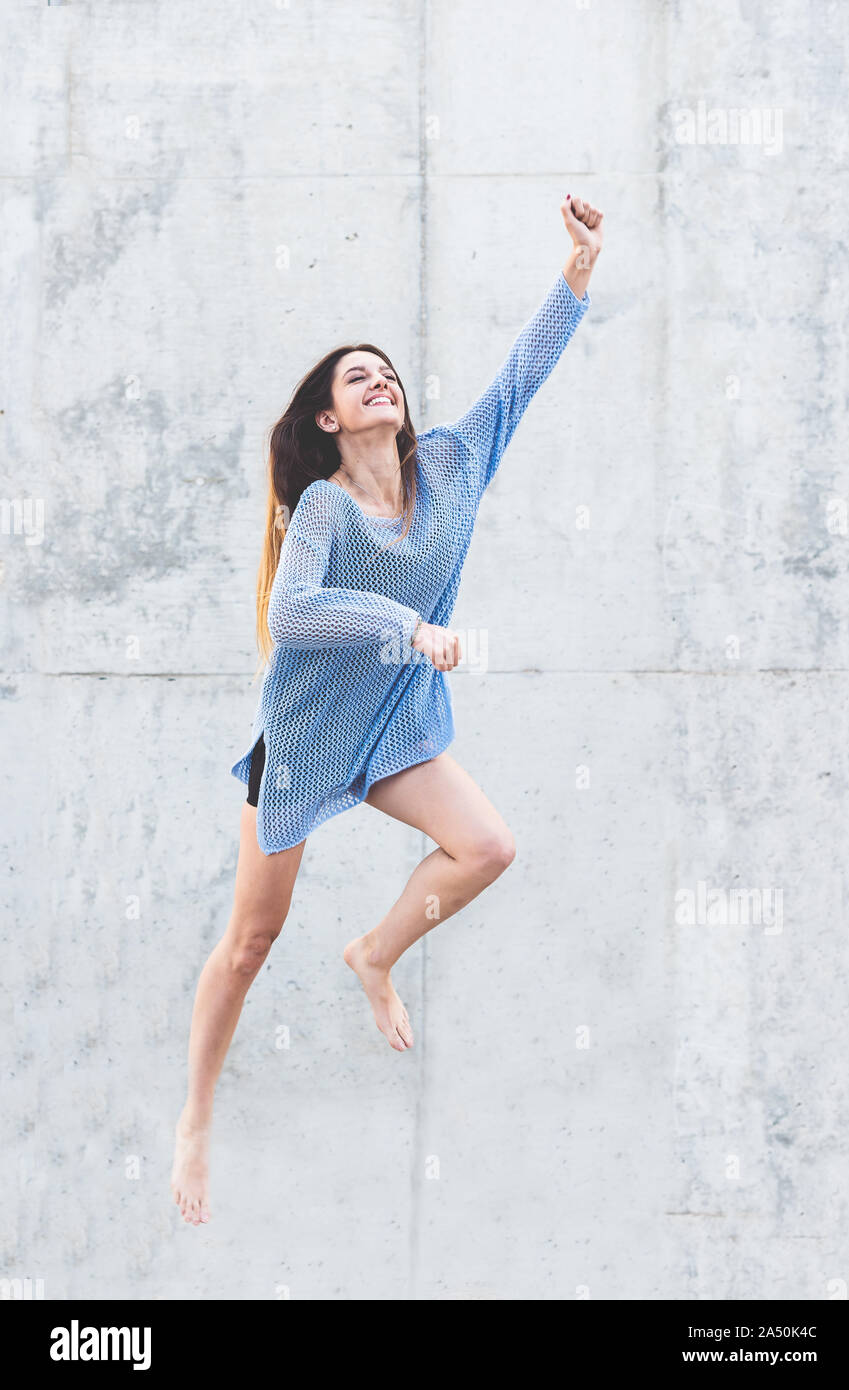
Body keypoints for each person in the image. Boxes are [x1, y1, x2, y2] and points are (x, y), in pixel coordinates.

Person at [171, 194, 604, 1225]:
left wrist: (579, 269)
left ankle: (373, 952)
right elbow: (295, 610)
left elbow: (522, 374)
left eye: (388, 371)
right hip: (311, 735)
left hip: (398, 726)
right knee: (248, 942)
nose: (382, 381)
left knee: (487, 846)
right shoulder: (320, 506)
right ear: (329, 417)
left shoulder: (454, 464)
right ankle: (194, 1117)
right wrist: (407, 627)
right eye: (356, 377)